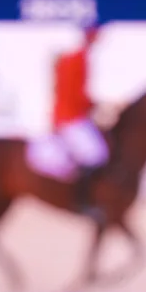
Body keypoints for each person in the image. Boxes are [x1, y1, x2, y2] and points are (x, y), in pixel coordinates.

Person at [51, 25, 109, 216]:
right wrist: (94, 105)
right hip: (71, 117)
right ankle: (82, 201)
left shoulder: (76, 57)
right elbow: (75, 95)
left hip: (73, 116)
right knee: (95, 154)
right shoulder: (78, 58)